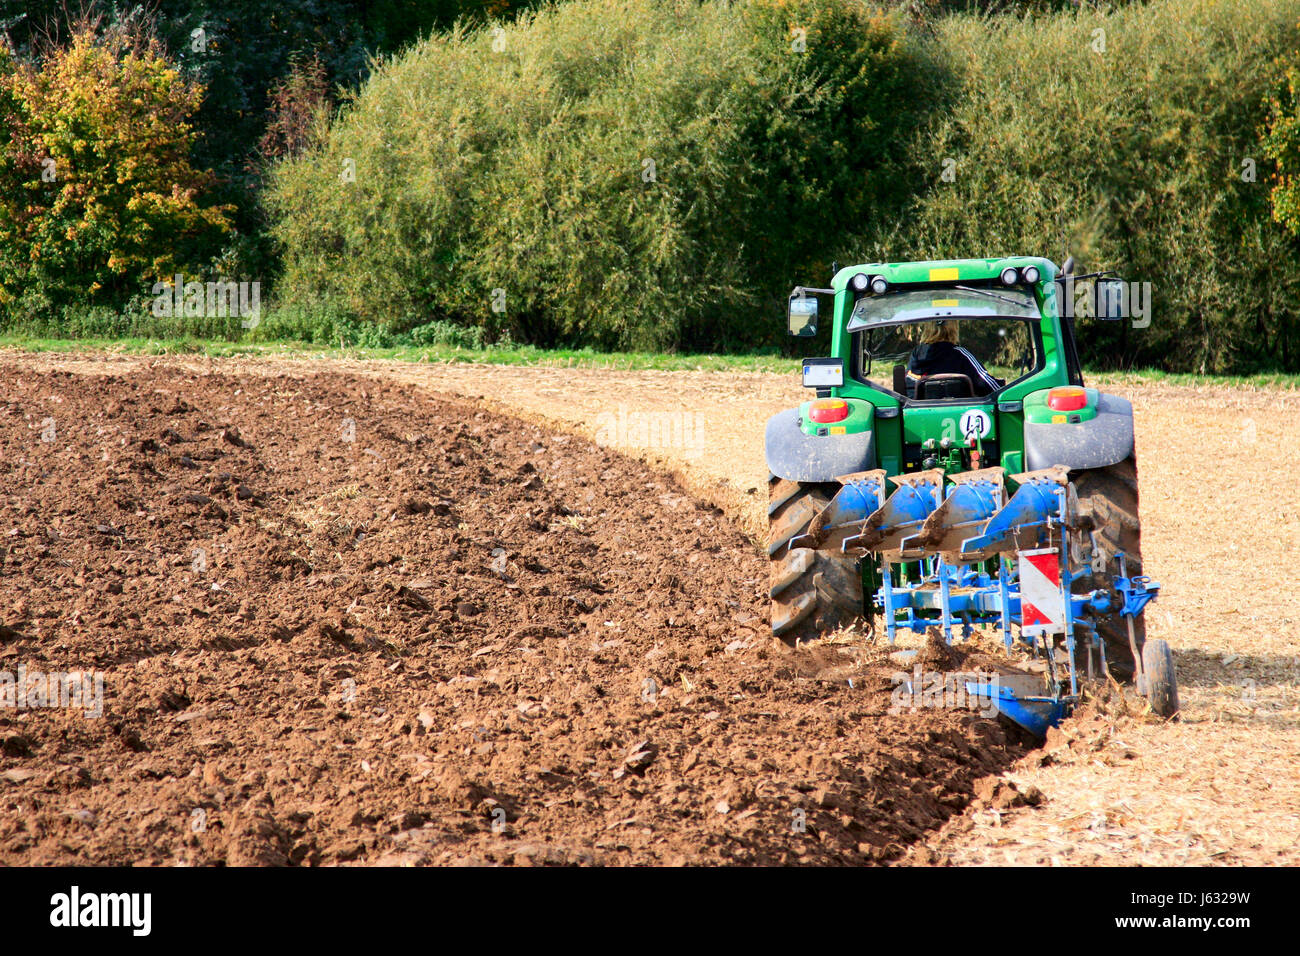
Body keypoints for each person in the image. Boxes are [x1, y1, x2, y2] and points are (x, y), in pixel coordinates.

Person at [907, 321, 1001, 396]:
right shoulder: (961, 354)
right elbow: (988, 385)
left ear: (927, 328)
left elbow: (908, 387)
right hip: (960, 414)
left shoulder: (917, 354)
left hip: (922, 414)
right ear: (954, 329)